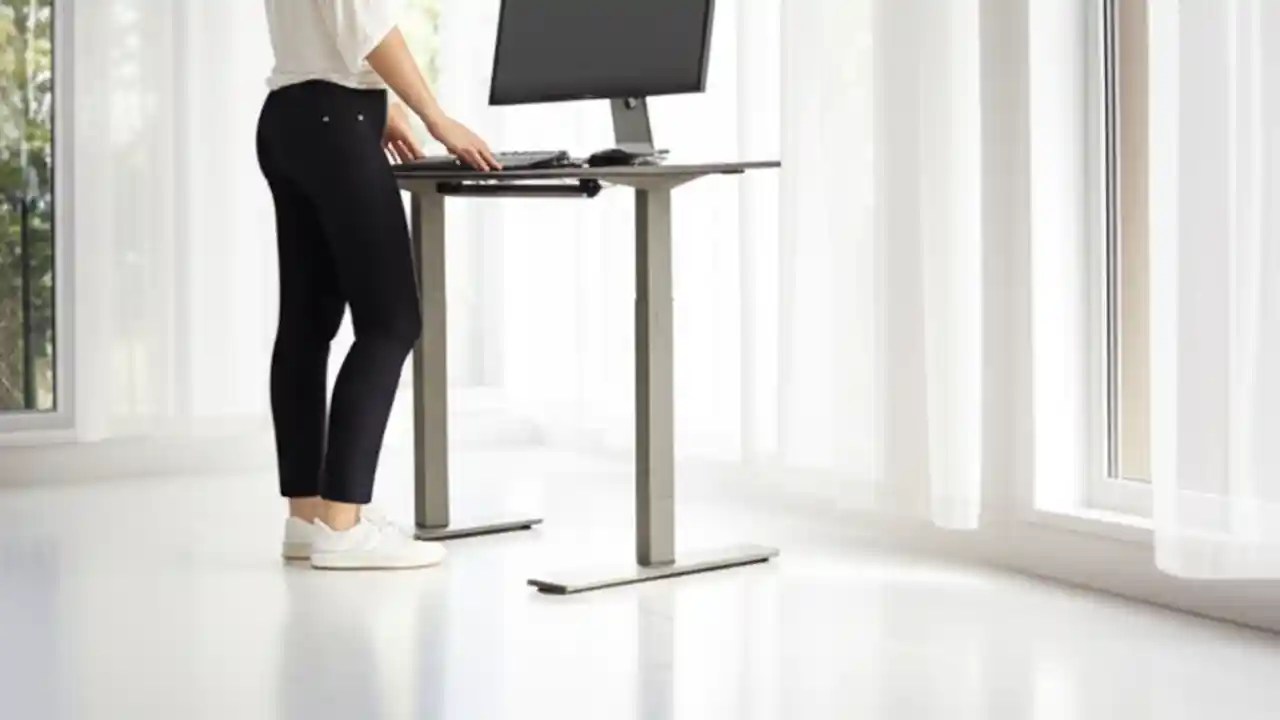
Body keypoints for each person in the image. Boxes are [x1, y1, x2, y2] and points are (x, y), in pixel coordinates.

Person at [256, 0, 499, 570]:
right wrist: (437, 116)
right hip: (332, 122)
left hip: (289, 117)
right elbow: (366, 27)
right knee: (391, 321)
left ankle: (308, 516)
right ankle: (343, 526)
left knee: (306, 327)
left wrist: (376, 101)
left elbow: (327, 31)